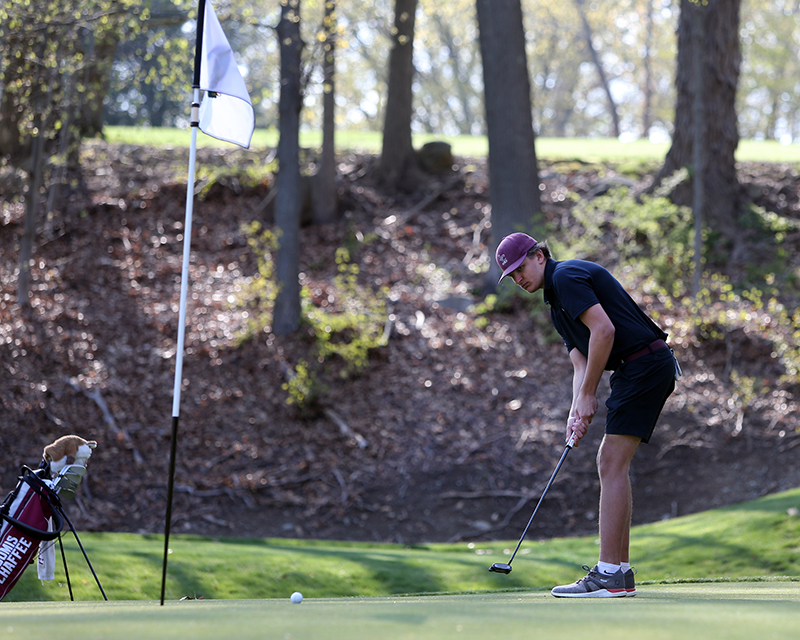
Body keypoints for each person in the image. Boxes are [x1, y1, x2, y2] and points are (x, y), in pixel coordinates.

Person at [495, 232, 679, 598]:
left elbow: (604, 331)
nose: (519, 279)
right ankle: (620, 574)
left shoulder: (565, 277)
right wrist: (576, 409)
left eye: (521, 268)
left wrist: (591, 393)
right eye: (512, 276)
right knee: (612, 463)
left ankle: (609, 573)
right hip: (636, 369)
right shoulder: (556, 305)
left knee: (610, 462)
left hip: (644, 363)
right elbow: (580, 360)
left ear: (540, 255)